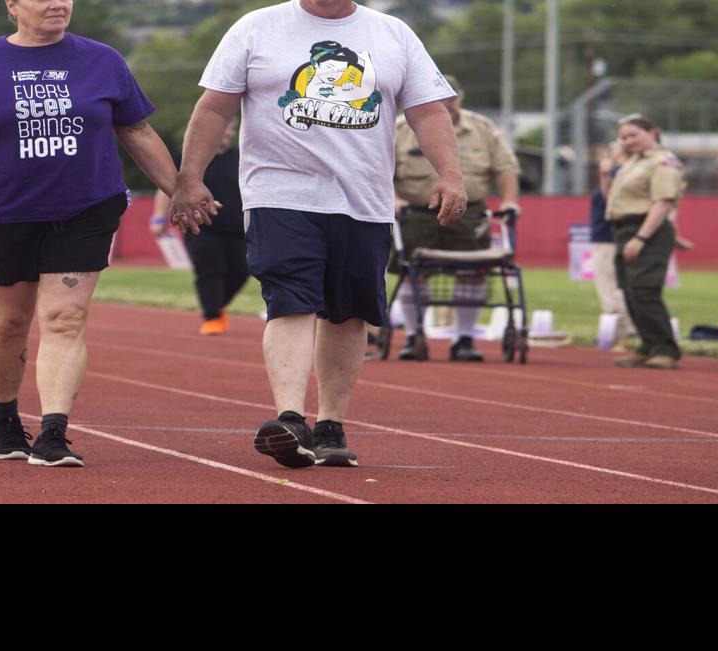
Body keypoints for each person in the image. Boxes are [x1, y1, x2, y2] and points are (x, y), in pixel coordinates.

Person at [170, 0, 463, 469]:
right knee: (290, 296)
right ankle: (290, 418)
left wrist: (451, 174)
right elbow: (213, 108)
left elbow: (429, 112)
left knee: (349, 311)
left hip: (363, 197)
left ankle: (330, 426)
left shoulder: (393, 34)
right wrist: (190, 177)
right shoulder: (256, 28)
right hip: (279, 191)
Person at [0, 0, 182, 468]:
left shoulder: (102, 60)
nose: (59, 3)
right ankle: (5, 420)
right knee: (6, 324)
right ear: (13, 6)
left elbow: (137, 129)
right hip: (1, 212)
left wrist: (180, 190)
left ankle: (53, 433)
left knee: (65, 317)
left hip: (84, 209)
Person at [391, 73, 520, 362]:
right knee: (412, 274)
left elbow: (505, 167)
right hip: (416, 212)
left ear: (459, 98)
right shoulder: (401, 127)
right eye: (438, 97)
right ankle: (414, 335)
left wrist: (510, 201)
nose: (446, 103)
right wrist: (394, 199)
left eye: (450, 97)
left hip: (468, 211)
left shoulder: (482, 128)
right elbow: (380, 169)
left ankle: (464, 338)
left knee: (471, 274)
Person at [606, 116, 686, 370]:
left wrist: (641, 237)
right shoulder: (633, 162)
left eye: (633, 135)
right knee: (629, 291)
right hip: (623, 228)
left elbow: (663, 202)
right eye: (623, 138)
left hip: (647, 228)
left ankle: (665, 348)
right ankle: (648, 344)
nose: (628, 141)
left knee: (645, 290)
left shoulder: (662, 161)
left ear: (652, 132)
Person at [152, 118, 245, 335]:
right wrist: (158, 218)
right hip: (200, 225)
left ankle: (218, 304)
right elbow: (167, 189)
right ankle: (212, 316)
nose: (226, 133)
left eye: (230, 128)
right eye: (222, 127)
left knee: (242, 270)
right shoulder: (189, 159)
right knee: (210, 270)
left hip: (237, 226)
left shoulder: (239, 157)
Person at [589, 143, 632, 344]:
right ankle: (623, 330)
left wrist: (605, 176)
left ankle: (620, 332)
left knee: (610, 289)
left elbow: (612, 202)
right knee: (617, 286)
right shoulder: (626, 171)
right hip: (609, 237)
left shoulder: (619, 172)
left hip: (608, 239)